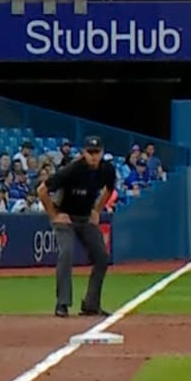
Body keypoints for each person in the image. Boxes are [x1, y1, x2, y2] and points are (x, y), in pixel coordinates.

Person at [37, 135, 114, 318]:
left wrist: (97, 210)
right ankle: (62, 303)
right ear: (83, 153)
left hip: (85, 217)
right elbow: (42, 190)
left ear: (102, 153)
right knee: (67, 253)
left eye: (97, 152)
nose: (94, 156)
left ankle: (91, 305)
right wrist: (54, 215)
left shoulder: (107, 170)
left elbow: (109, 189)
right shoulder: (72, 170)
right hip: (65, 216)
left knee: (102, 257)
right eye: (90, 152)